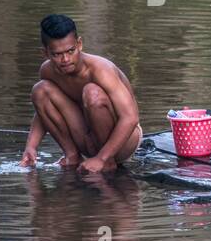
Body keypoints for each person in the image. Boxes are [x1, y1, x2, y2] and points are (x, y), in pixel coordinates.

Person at [19, 14, 141, 173]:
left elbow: (130, 118)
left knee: (92, 92)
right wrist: (31, 146)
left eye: (71, 51)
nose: (65, 59)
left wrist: (102, 158)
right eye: (57, 54)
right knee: (40, 90)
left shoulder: (100, 69)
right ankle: (72, 155)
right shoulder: (48, 70)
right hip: (85, 137)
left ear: (80, 44)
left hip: (123, 143)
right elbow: (43, 110)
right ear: (46, 53)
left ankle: (108, 161)